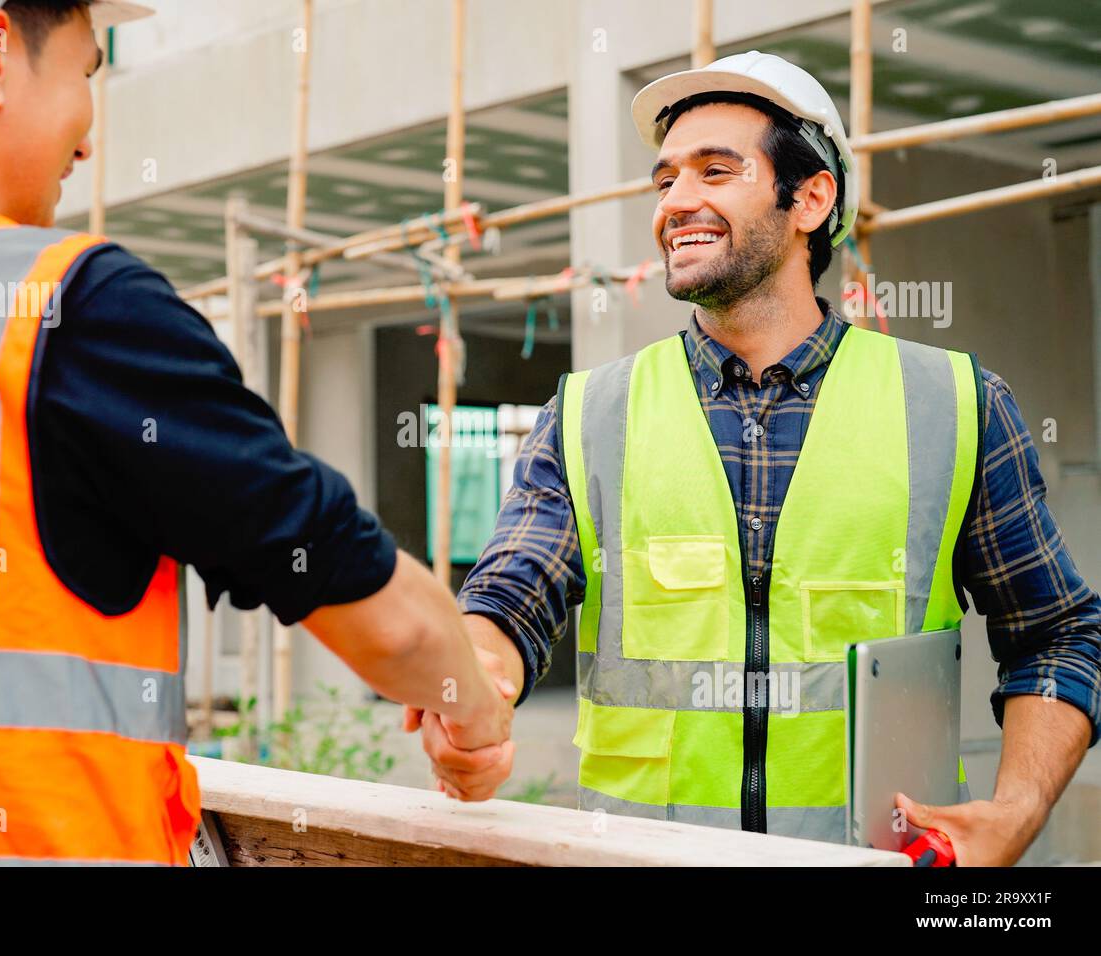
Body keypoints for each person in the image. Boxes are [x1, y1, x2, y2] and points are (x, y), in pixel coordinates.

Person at [0, 0, 513, 865]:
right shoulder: (69, 306)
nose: (90, 140)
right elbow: (372, 607)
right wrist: (472, 706)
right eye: (85, 72)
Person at [411, 51, 1100, 866]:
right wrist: (473, 687)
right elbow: (509, 597)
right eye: (665, 180)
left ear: (811, 198)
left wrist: (1015, 814)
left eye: (715, 170)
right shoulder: (592, 412)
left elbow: (1058, 634)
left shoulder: (954, 405)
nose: (677, 202)